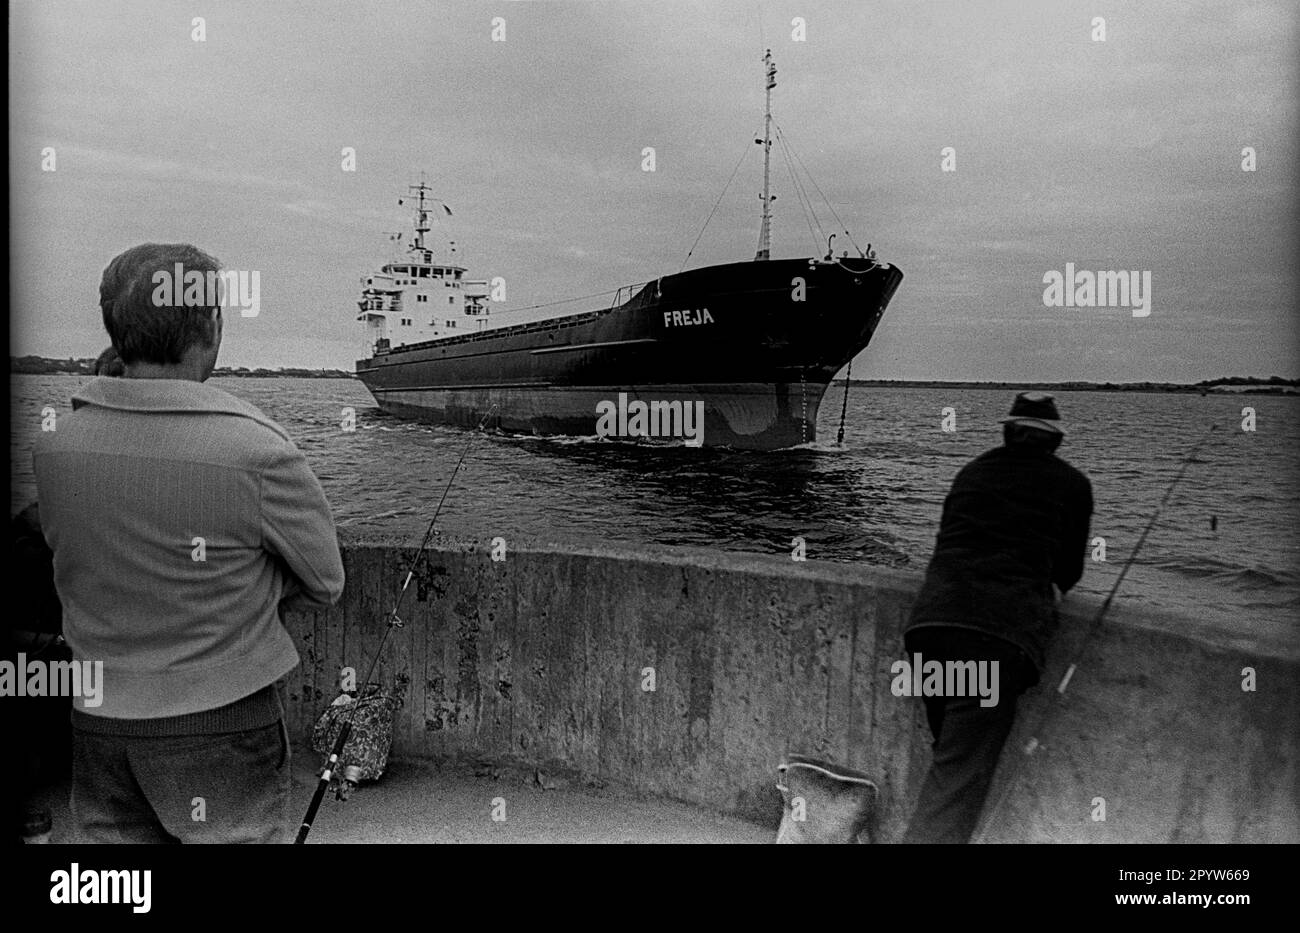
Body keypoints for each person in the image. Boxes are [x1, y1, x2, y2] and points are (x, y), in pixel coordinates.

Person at [33, 243, 345, 843]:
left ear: (115, 328)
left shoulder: (54, 448)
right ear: (212, 325)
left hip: (97, 715)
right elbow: (325, 584)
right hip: (224, 719)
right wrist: (246, 593)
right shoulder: (260, 451)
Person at [901, 392, 1092, 843]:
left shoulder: (972, 472)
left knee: (951, 760)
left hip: (930, 630)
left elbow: (950, 541)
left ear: (1007, 432)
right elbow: (1068, 571)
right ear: (1055, 441)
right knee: (959, 775)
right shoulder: (1072, 484)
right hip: (994, 638)